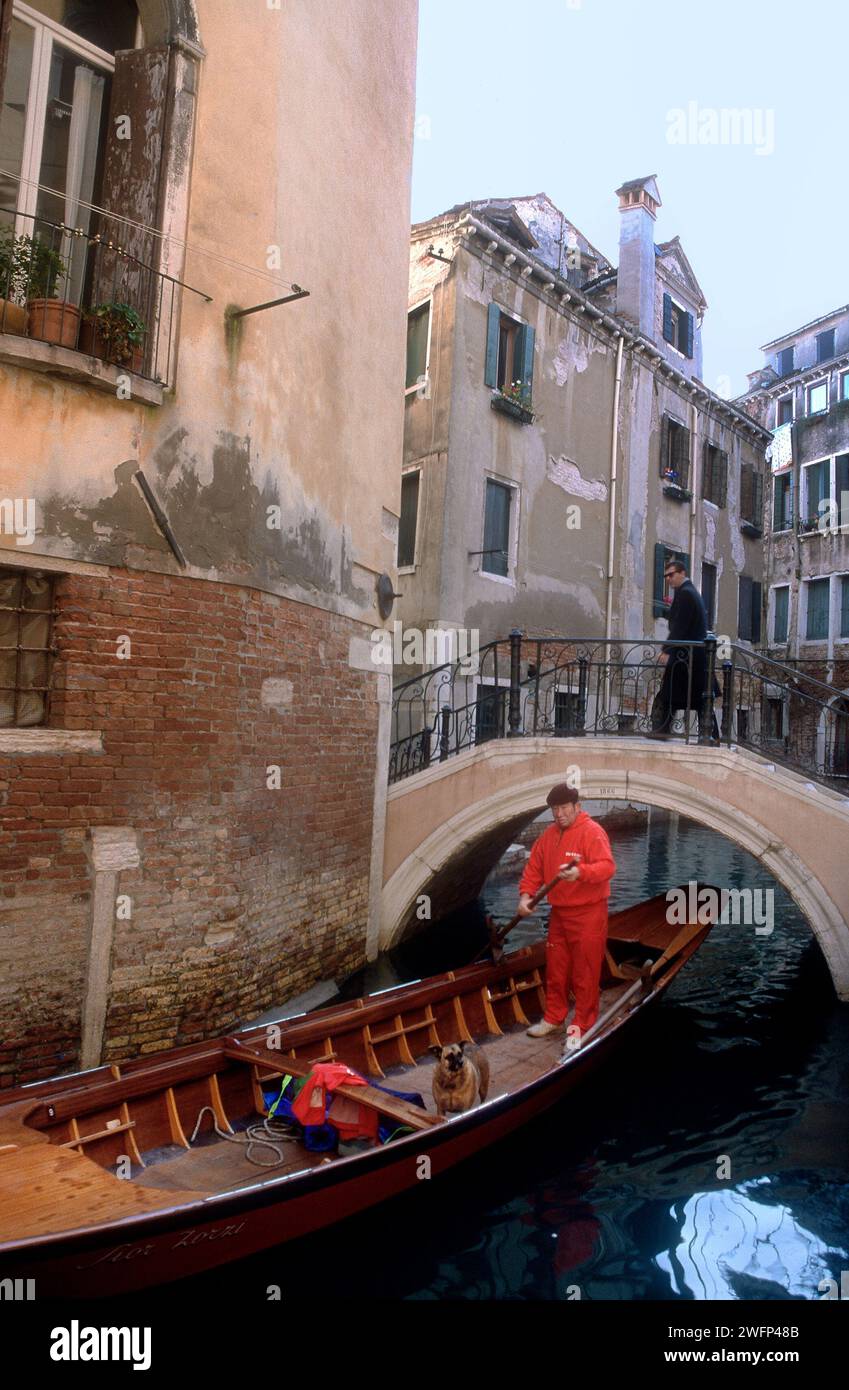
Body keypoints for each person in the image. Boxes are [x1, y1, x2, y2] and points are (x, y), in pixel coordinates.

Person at [517, 784, 616, 1044]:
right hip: (559, 914)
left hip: (589, 913)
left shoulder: (593, 832)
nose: (559, 814)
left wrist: (580, 872)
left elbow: (607, 867)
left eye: (563, 808)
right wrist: (526, 895)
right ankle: (553, 1017)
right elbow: (534, 868)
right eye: (554, 809)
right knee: (557, 968)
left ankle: (582, 1025)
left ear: (577, 807)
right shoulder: (549, 836)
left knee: (585, 972)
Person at [650, 560, 718, 740]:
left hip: (687, 657)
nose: (668, 579)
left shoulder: (686, 594)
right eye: (666, 576)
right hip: (690, 657)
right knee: (691, 698)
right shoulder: (688, 592)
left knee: (673, 695)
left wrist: (666, 650)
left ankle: (662, 732)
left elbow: (680, 626)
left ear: (682, 573)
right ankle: (713, 736)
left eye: (671, 575)